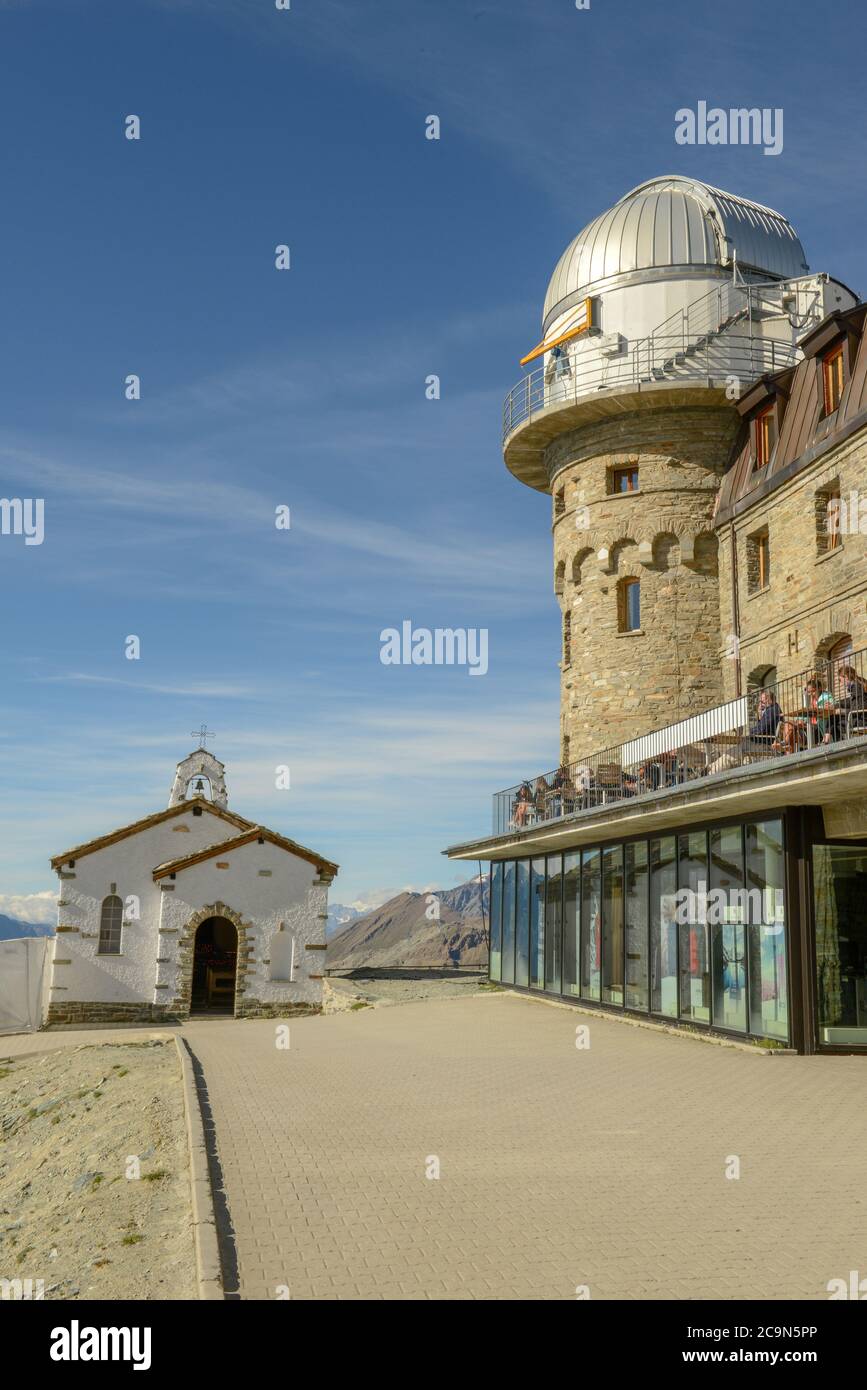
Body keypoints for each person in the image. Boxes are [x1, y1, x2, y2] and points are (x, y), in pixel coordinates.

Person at [747, 688, 782, 755]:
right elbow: (764, 726)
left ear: (768, 699)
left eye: (762, 700)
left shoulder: (770, 710)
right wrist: (760, 715)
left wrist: (751, 732)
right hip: (769, 738)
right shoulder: (775, 708)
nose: (761, 702)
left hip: (766, 741)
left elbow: (762, 729)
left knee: (744, 743)